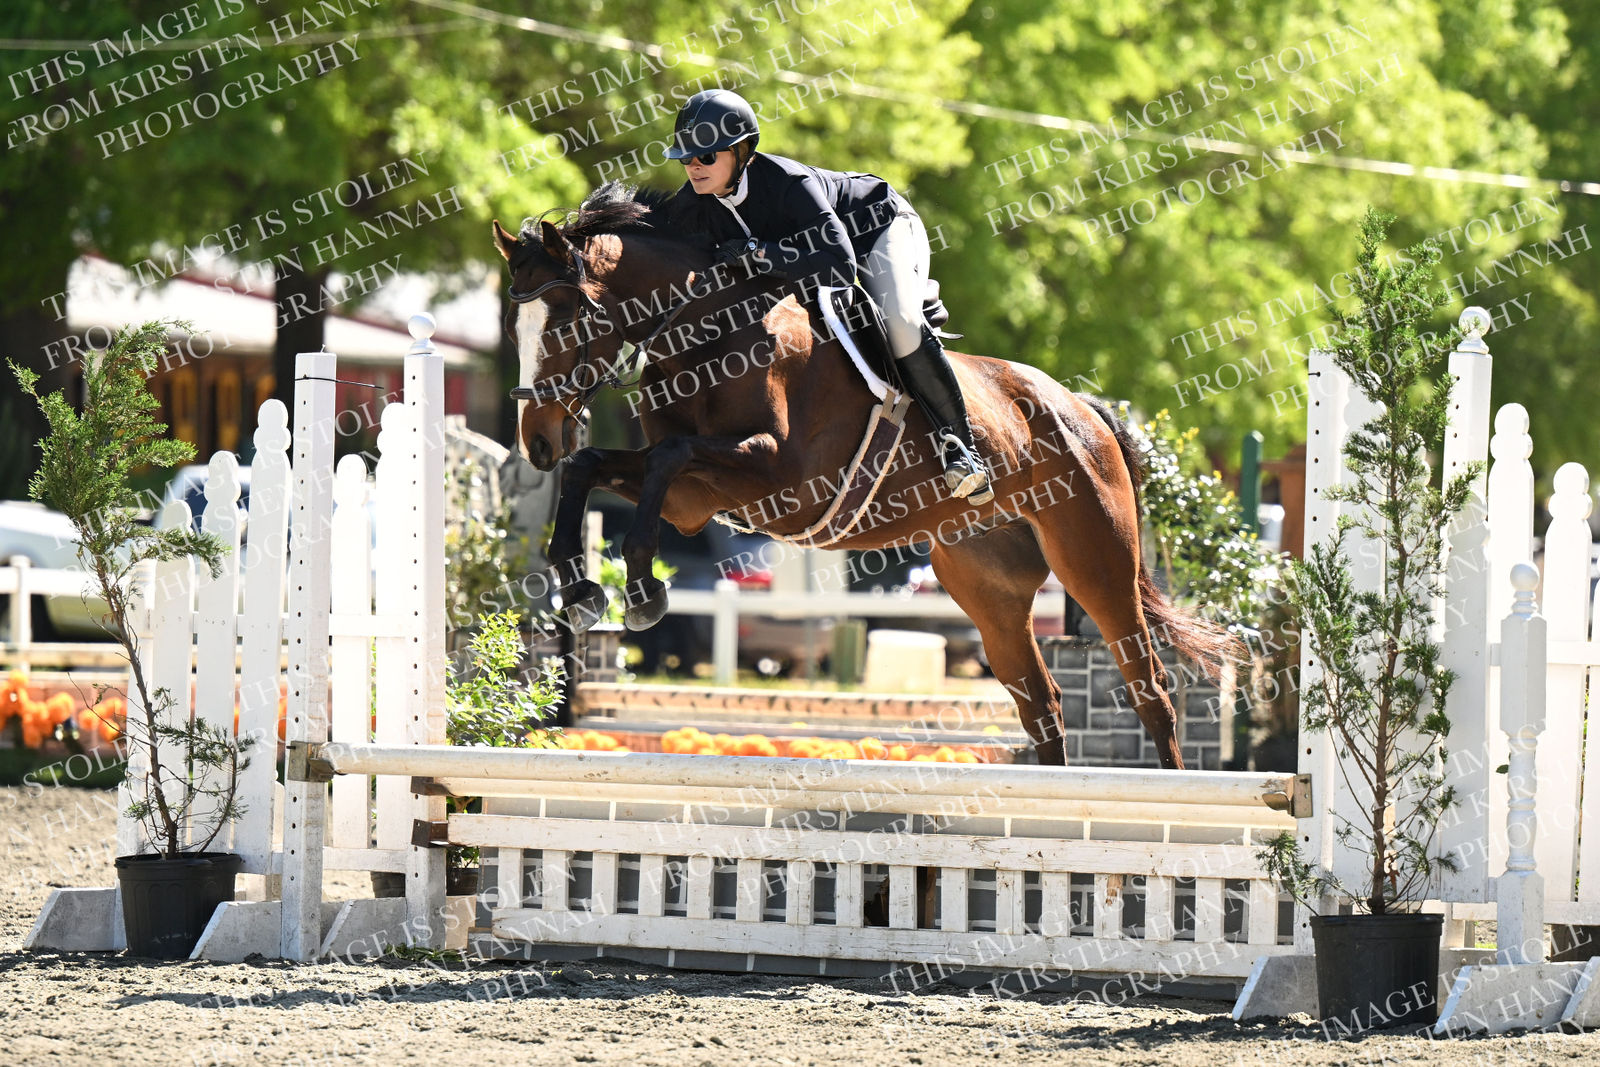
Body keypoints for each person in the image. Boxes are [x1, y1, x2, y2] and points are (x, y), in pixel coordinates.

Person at [663, 88, 993, 505]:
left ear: (742, 150)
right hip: (817, 265)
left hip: (877, 231)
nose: (694, 166)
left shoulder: (787, 184)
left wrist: (759, 253)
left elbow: (840, 266)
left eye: (706, 156)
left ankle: (962, 449)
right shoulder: (693, 203)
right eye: (686, 158)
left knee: (901, 325)